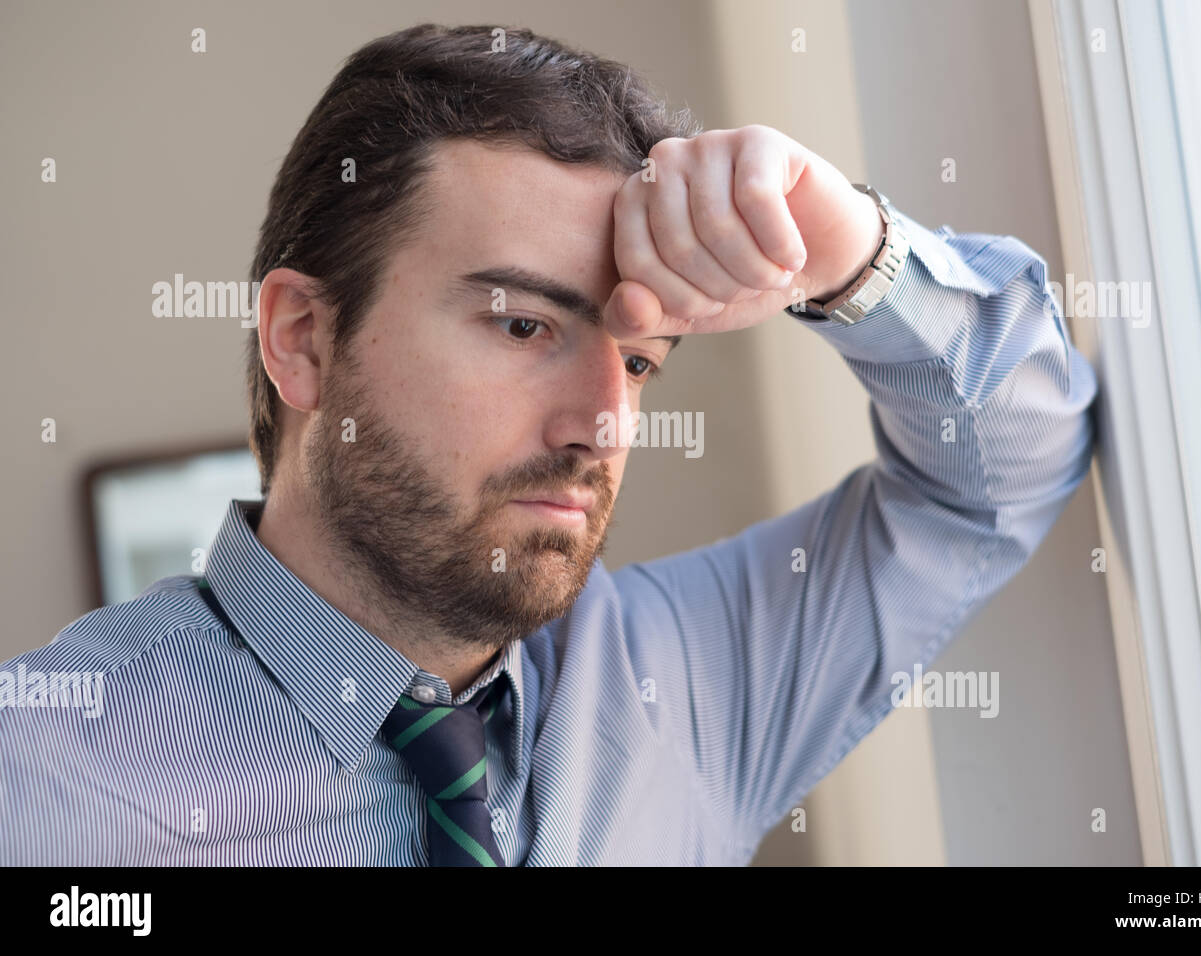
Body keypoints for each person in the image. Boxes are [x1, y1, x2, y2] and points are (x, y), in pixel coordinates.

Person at [0, 22, 1096, 865]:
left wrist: (848, 248)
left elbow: (1001, 468)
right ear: (303, 339)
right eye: (523, 325)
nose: (603, 423)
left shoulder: (697, 682)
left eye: (637, 361)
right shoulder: (38, 781)